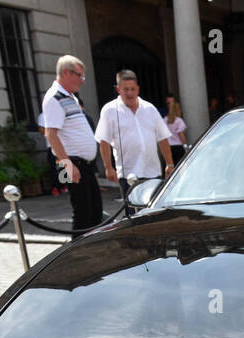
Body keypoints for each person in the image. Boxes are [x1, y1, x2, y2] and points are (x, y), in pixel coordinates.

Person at [42, 54, 102, 231]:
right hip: (70, 162)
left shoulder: (71, 97)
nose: (82, 80)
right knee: (82, 212)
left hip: (83, 163)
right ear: (66, 73)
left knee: (95, 211)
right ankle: (79, 255)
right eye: (79, 75)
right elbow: (50, 134)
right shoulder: (54, 97)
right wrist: (67, 165)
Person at [95, 69, 174, 203]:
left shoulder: (150, 108)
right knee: (133, 214)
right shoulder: (109, 110)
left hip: (152, 172)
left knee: (153, 213)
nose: (130, 93)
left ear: (137, 89)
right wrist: (108, 167)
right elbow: (104, 141)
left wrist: (169, 163)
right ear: (118, 89)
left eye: (133, 89)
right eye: (126, 89)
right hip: (128, 175)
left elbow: (162, 138)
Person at [164, 96, 188, 165]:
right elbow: (181, 134)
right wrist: (185, 145)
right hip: (178, 147)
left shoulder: (164, 120)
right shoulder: (179, 120)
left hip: (168, 147)